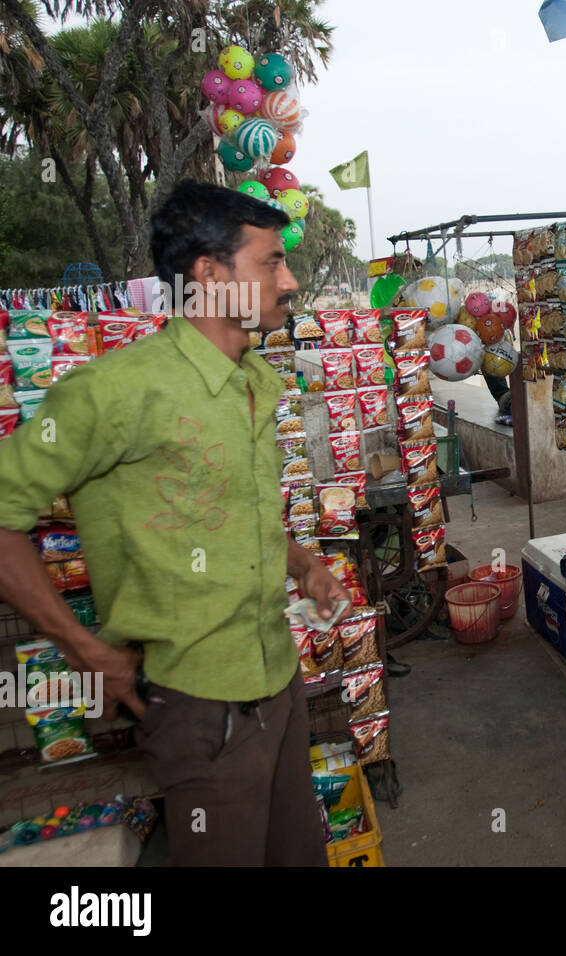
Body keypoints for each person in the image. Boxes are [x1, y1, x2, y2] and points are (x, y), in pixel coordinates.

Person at [0, 180, 348, 866]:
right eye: (271, 263)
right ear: (210, 276)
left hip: (279, 682)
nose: (291, 280)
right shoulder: (114, 392)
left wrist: (302, 563)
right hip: (199, 708)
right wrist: (85, 649)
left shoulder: (252, 382)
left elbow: (225, 516)